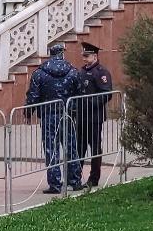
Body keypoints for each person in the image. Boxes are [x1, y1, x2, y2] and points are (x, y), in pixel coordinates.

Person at [23, 40, 79, 195]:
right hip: (67, 115)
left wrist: (28, 113)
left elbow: (33, 96)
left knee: (51, 149)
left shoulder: (39, 73)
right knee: (71, 147)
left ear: (50, 54)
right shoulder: (73, 72)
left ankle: (55, 184)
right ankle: (74, 181)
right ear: (62, 53)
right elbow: (80, 94)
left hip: (48, 115)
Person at [73, 41, 113, 191]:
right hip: (81, 117)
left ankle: (93, 178)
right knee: (79, 148)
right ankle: (76, 177)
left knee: (95, 148)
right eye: (83, 55)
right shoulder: (82, 71)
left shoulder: (101, 72)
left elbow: (106, 94)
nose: (84, 58)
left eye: (87, 56)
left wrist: (89, 103)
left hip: (94, 118)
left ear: (95, 56)